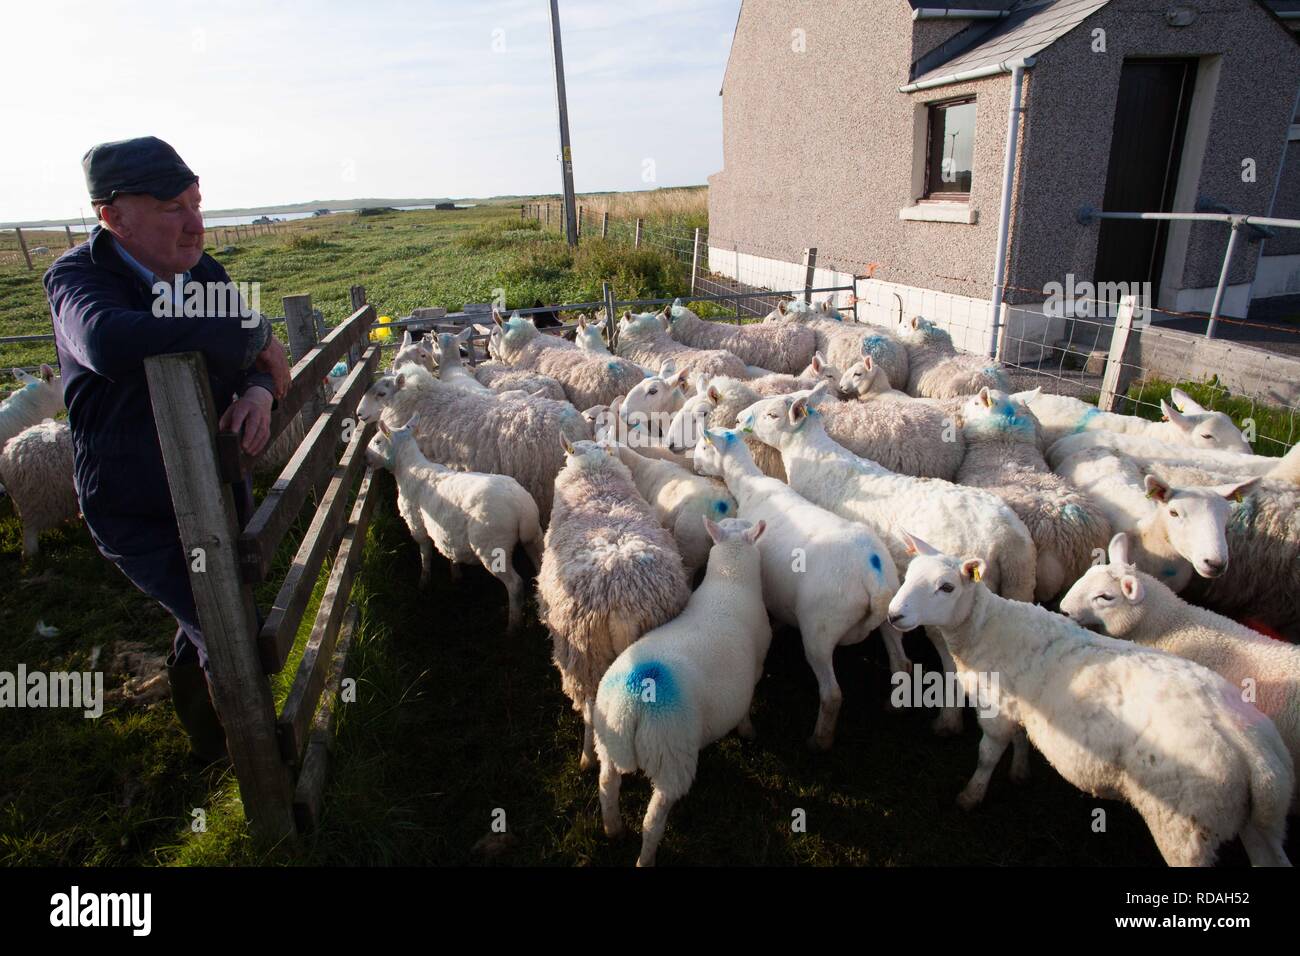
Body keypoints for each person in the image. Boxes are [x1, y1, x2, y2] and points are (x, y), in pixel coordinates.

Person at [44, 136, 291, 762]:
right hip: (137, 508)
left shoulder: (202, 274)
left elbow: (256, 360)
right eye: (171, 208)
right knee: (224, 626)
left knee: (211, 609)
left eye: (196, 202)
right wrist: (246, 330)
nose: (195, 224)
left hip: (214, 489)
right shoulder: (79, 280)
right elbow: (108, 342)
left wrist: (259, 392)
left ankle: (204, 731)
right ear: (113, 216)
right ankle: (252, 762)